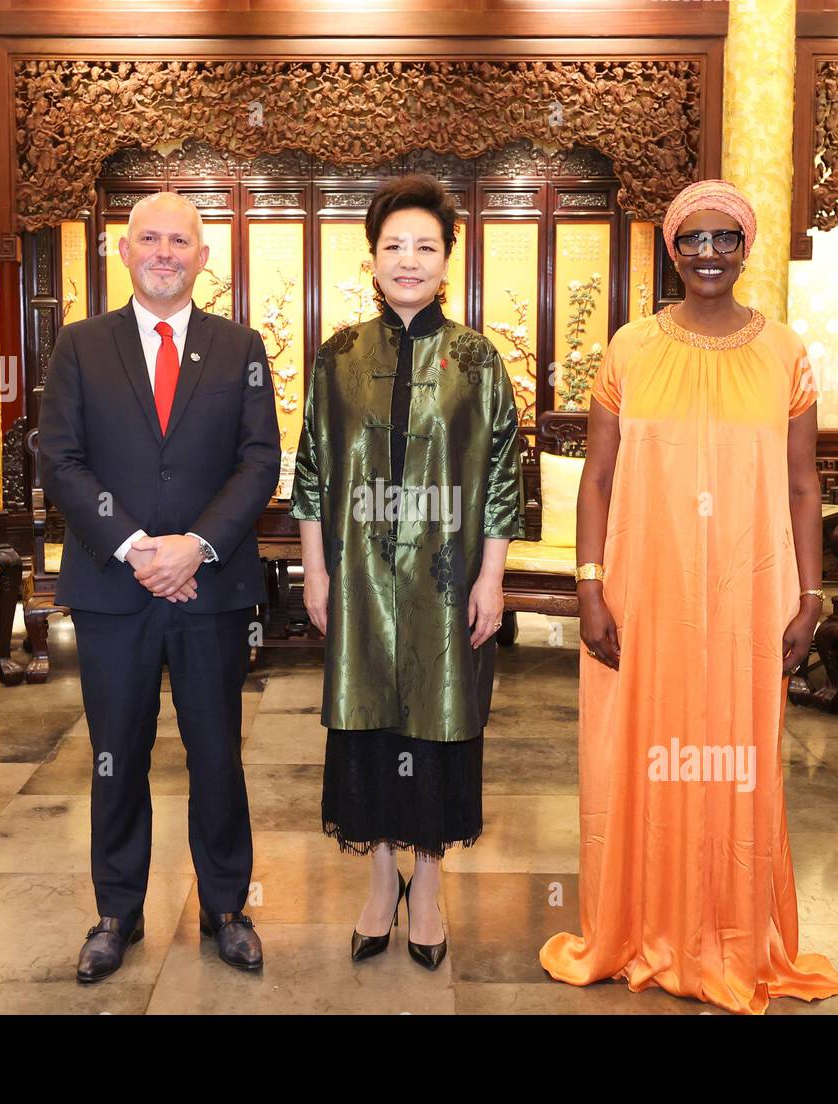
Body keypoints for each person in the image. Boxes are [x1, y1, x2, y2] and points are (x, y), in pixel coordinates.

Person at [539, 178, 838, 1014]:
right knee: (640, 751)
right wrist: (590, 587)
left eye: (724, 238)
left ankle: (733, 935)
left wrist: (811, 596)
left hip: (752, 596)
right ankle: (639, 925)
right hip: (644, 593)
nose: (708, 253)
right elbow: (596, 479)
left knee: (739, 760)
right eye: (692, 239)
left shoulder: (785, 352)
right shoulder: (630, 349)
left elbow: (802, 484)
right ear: (671, 249)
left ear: (745, 247)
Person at [39, 192, 280, 981]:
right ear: (125, 250)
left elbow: (259, 461)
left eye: (182, 240)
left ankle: (226, 907)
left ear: (204, 257)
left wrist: (198, 546)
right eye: (151, 238)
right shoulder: (80, 345)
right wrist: (140, 547)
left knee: (218, 754)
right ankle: (116, 912)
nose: (165, 251)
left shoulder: (239, 344)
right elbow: (62, 462)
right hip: (115, 588)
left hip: (211, 592)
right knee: (117, 755)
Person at [290, 173, 523, 969]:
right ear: (372, 258)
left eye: (426, 245)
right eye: (395, 246)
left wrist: (493, 578)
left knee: (439, 723)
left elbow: (499, 478)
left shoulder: (477, 359)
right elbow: (313, 473)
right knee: (368, 723)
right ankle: (380, 877)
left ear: (448, 257)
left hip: (448, 579)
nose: (410, 259)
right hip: (357, 578)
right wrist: (314, 576)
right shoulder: (340, 354)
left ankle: (428, 881)